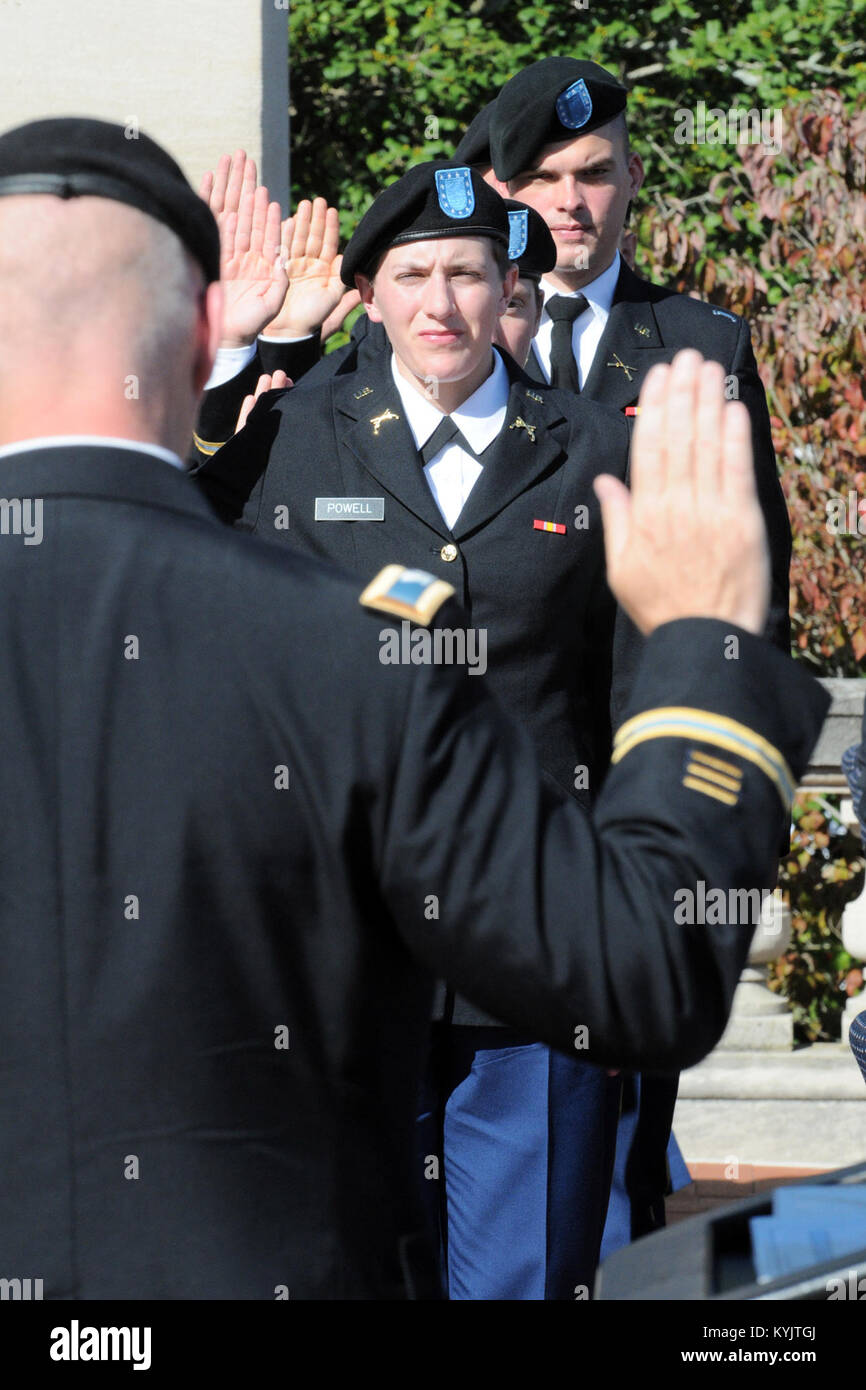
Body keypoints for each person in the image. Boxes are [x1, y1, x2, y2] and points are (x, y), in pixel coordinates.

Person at [190, 161, 743, 1298]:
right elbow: (164, 539)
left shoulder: (600, 451)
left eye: (467, 272)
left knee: (526, 1278)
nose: (440, 301)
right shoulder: (296, 436)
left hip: (535, 953)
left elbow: (651, 688)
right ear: (369, 294)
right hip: (342, 953)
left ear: (507, 290)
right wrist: (237, 353)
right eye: (412, 274)